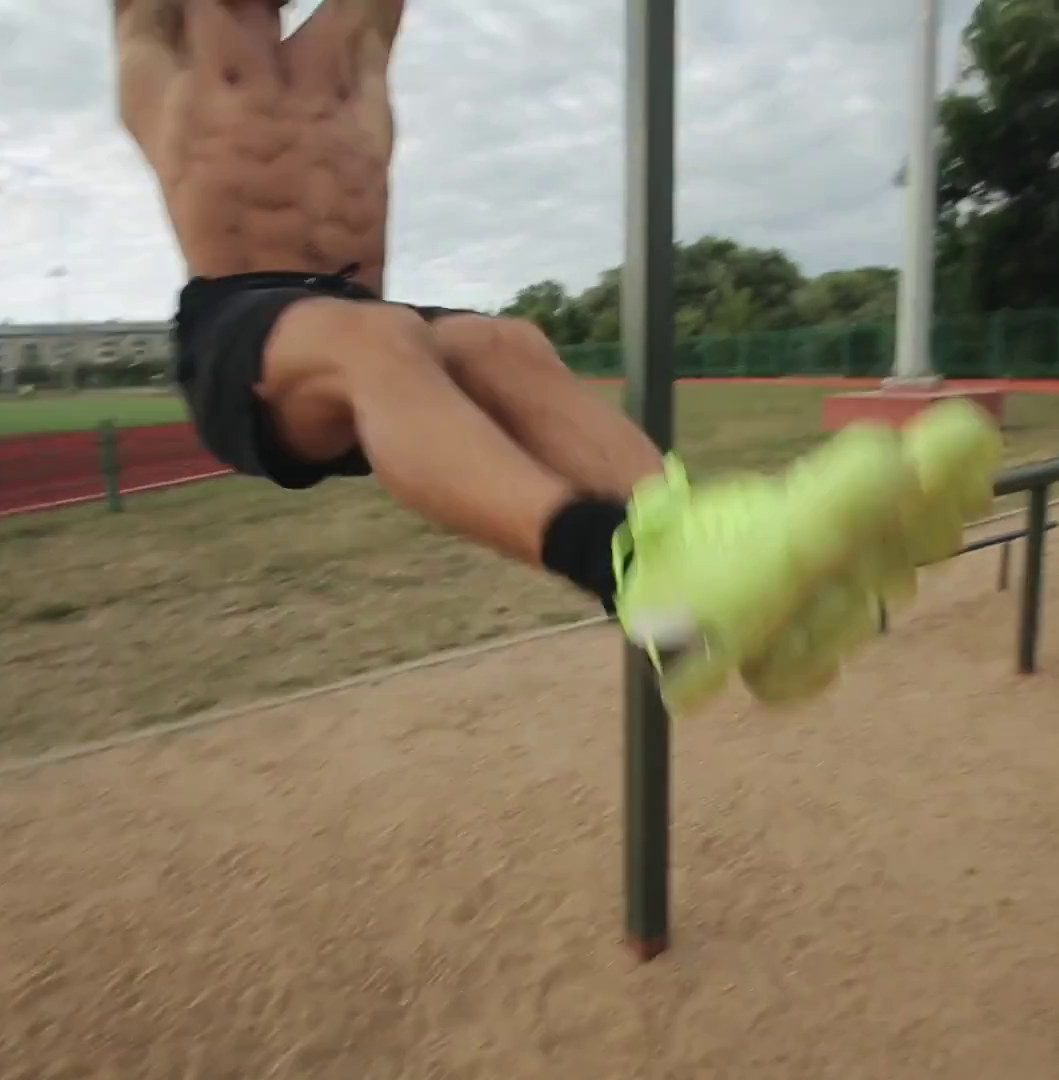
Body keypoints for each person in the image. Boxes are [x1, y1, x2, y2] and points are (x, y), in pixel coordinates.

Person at [111, 0, 1002, 712]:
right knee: (379, 335)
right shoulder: (165, 44)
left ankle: (718, 597)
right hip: (242, 331)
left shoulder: (354, 42)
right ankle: (616, 558)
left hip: (371, 325)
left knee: (506, 341)